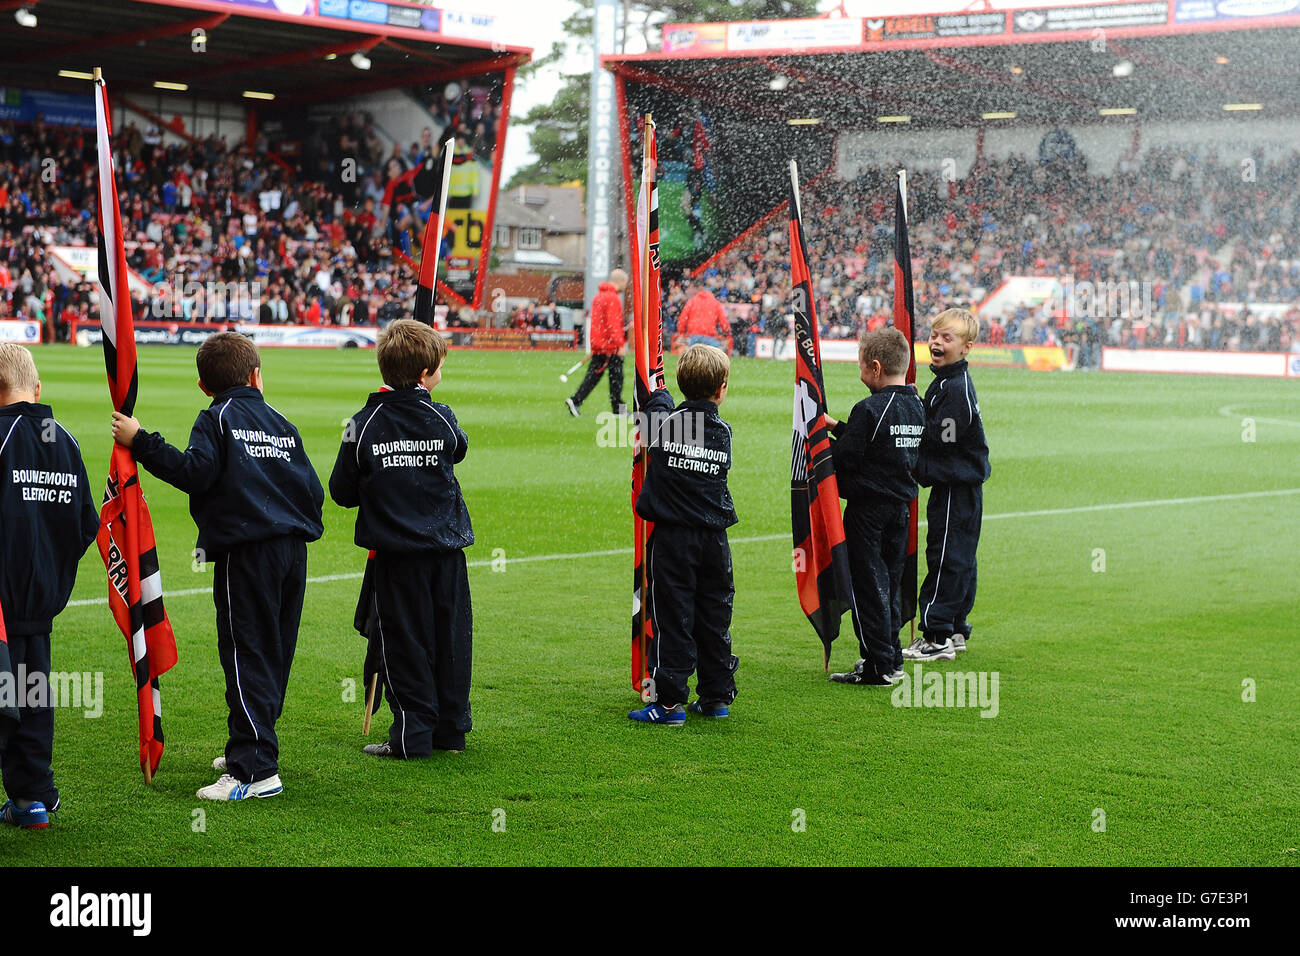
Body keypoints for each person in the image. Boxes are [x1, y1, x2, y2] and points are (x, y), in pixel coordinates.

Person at [112, 332, 324, 800]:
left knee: (247, 653)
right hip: (293, 553)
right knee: (273, 653)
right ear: (255, 376)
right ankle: (251, 747)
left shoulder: (217, 417)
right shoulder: (281, 421)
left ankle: (254, 771)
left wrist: (141, 442)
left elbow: (195, 472)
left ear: (205, 387)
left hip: (247, 554)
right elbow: (314, 491)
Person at [330, 320, 474, 756]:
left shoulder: (363, 421)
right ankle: (447, 731)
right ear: (427, 372)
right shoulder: (440, 415)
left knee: (405, 642)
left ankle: (414, 734)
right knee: (450, 638)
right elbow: (458, 449)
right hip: (445, 551)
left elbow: (341, 491)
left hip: (397, 554)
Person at [0, 345, 99, 829]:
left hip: (2, 605)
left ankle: (30, 798)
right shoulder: (67, 440)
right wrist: (51, 569)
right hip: (41, 605)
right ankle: (33, 799)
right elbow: (87, 525)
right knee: (33, 695)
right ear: (37, 389)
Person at [628, 344, 738, 725]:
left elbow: (656, 411)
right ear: (722, 388)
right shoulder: (722, 431)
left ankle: (670, 701)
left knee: (672, 618)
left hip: (675, 539)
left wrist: (657, 391)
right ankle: (716, 695)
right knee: (714, 616)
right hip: (715, 541)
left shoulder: (665, 425)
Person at [822, 329, 925, 685]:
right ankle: (891, 656)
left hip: (867, 512)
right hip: (901, 509)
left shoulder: (868, 408)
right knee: (890, 584)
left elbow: (850, 456)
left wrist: (820, 449)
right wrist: (837, 427)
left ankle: (879, 665)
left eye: (861, 366)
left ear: (875, 368)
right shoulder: (916, 404)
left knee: (868, 586)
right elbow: (883, 444)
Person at [905, 308, 991, 661]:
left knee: (946, 555)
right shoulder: (946, 381)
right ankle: (955, 627)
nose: (937, 342)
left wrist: (911, 428)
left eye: (947, 338)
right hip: (960, 484)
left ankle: (937, 633)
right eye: (935, 335)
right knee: (960, 557)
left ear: (967, 347)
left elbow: (946, 436)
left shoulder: (954, 387)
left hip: (955, 484)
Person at [566, 269, 628, 417]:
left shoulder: (599, 296)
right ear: (620, 281)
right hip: (609, 347)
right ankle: (616, 408)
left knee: (597, 376)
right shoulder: (612, 298)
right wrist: (620, 344)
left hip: (600, 344)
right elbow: (613, 324)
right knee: (615, 378)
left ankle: (577, 400)